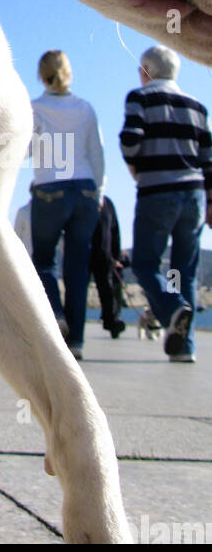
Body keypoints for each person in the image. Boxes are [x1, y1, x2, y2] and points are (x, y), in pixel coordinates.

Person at [121, 45, 212, 362]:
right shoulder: (199, 106)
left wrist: (135, 168)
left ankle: (173, 310)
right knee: (185, 272)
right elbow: (207, 160)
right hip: (195, 196)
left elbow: (131, 140)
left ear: (146, 70)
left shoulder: (140, 97)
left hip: (157, 191)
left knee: (145, 264)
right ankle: (184, 349)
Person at [29, 51, 105, 360]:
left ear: (40, 75)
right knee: (77, 268)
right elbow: (97, 153)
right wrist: (98, 194)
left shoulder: (34, 109)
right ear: (69, 73)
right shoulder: (85, 108)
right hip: (85, 189)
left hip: (50, 189)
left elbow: (24, 148)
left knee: (43, 262)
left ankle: (56, 314)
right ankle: (77, 342)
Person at [89, 195, 128, 337]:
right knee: (105, 288)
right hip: (93, 251)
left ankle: (111, 321)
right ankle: (111, 320)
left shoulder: (108, 203)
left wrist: (116, 256)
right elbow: (115, 230)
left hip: (103, 254)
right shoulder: (106, 203)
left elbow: (114, 230)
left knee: (107, 289)